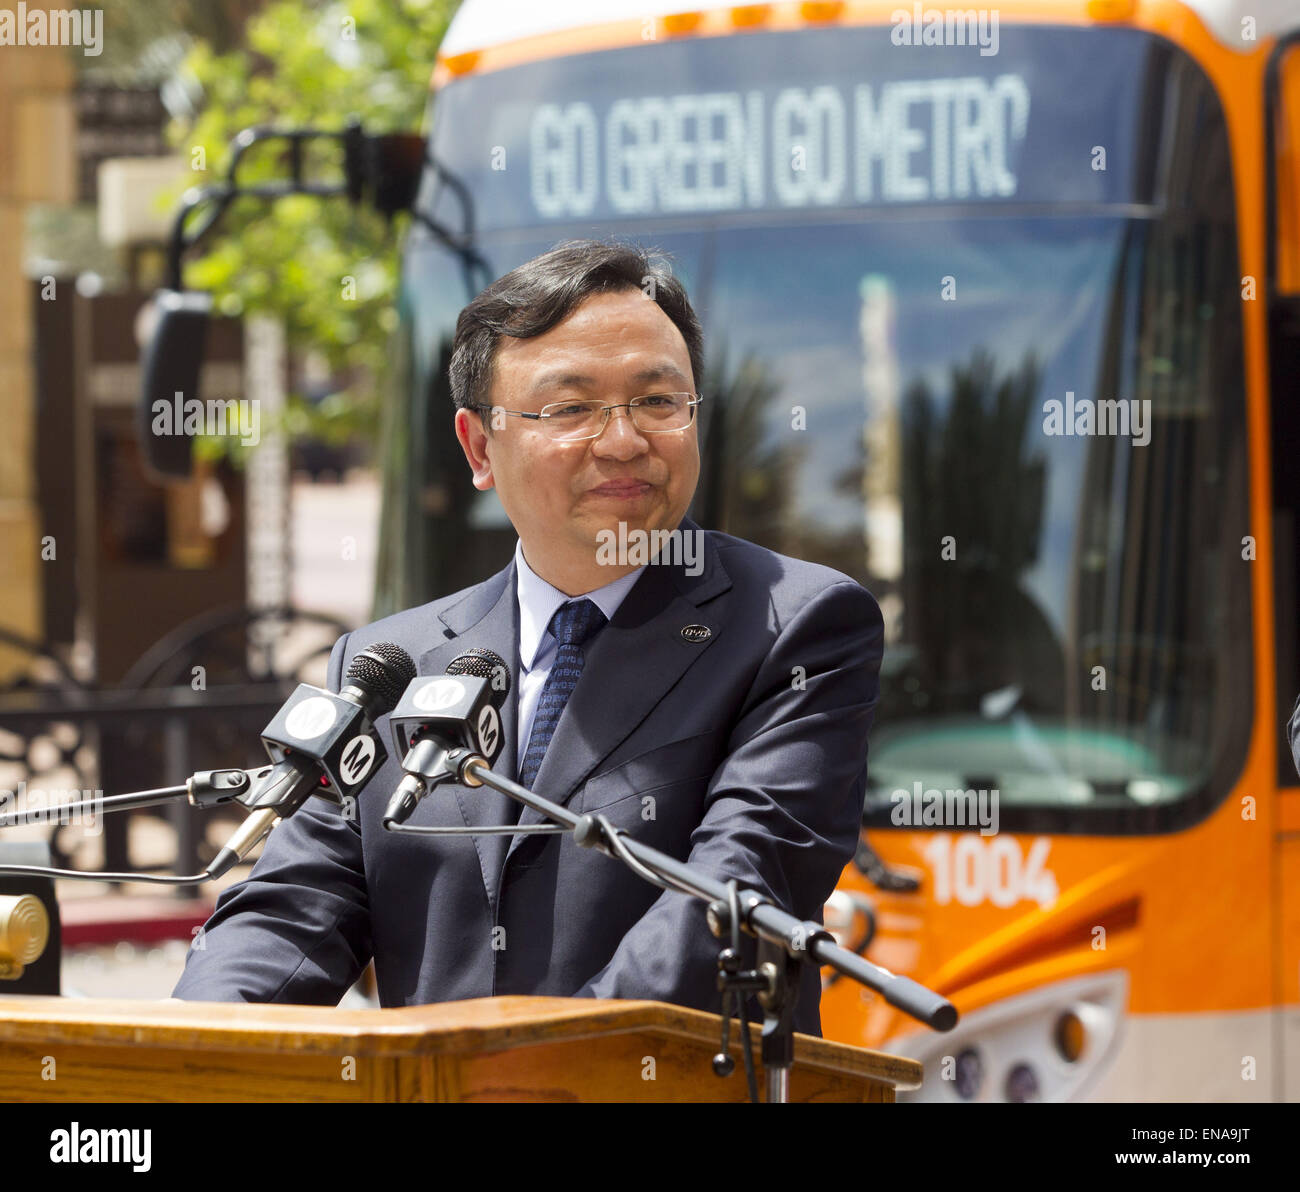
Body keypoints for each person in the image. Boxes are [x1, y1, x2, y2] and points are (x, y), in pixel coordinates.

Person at [172, 239, 884, 1036]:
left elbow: (731, 896)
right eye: (573, 408)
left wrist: (517, 1077)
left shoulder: (797, 625)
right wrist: (192, 1052)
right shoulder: (391, 666)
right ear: (480, 447)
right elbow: (290, 912)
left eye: (658, 402)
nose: (624, 441)